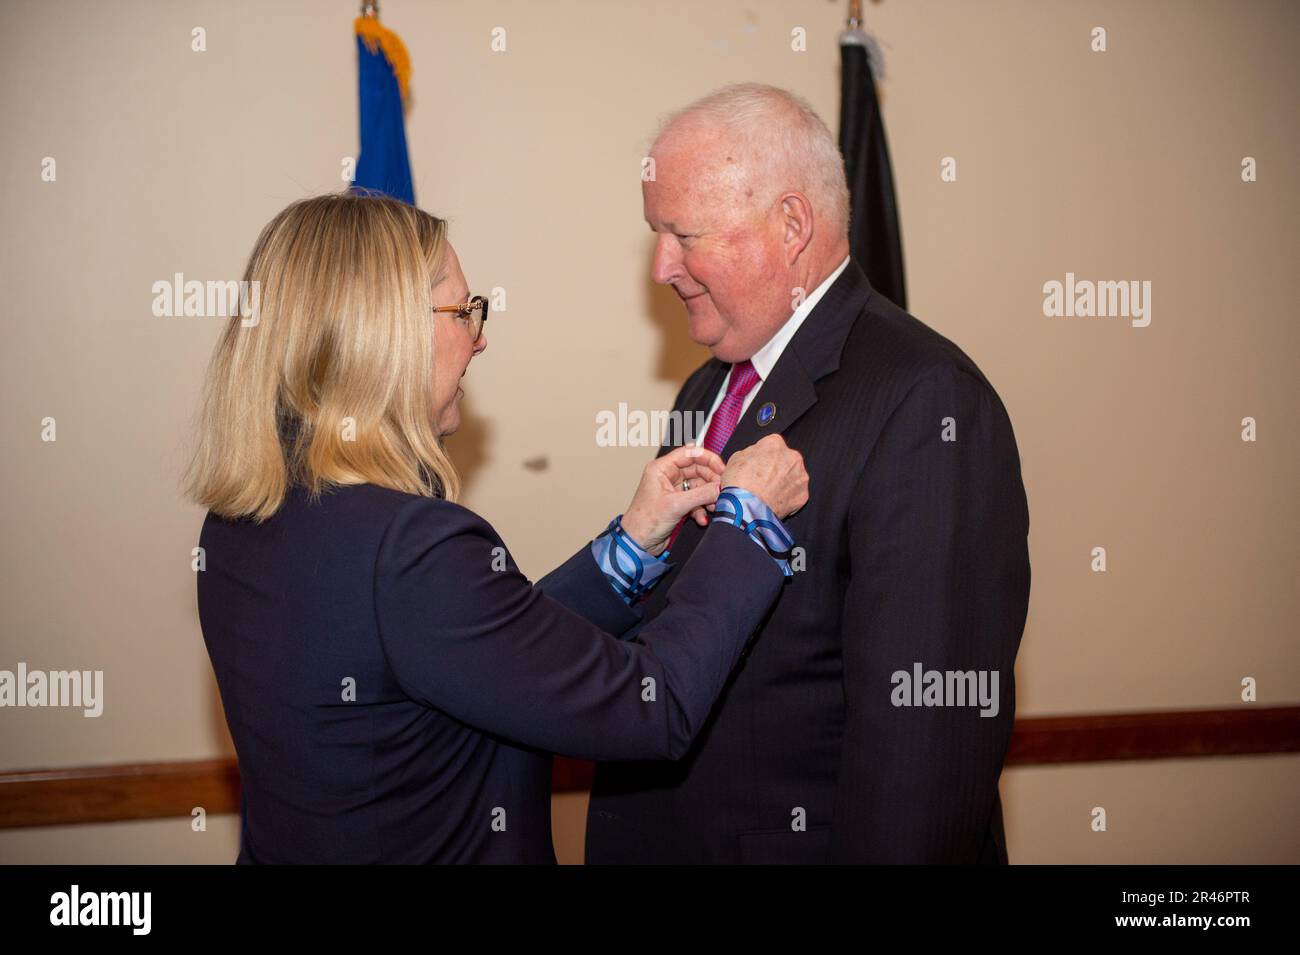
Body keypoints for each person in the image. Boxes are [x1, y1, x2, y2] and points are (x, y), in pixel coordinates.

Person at [186, 192, 808, 863]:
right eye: (463, 311)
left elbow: (480, 655)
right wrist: (747, 521)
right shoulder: (413, 547)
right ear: (385, 331)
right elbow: (654, 708)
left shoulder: (236, 522)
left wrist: (630, 544)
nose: (479, 337)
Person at [585, 83, 1031, 864]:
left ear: (791, 225)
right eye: (655, 233)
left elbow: (920, 748)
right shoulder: (708, 386)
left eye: (683, 234)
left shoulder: (924, 398)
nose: (661, 266)